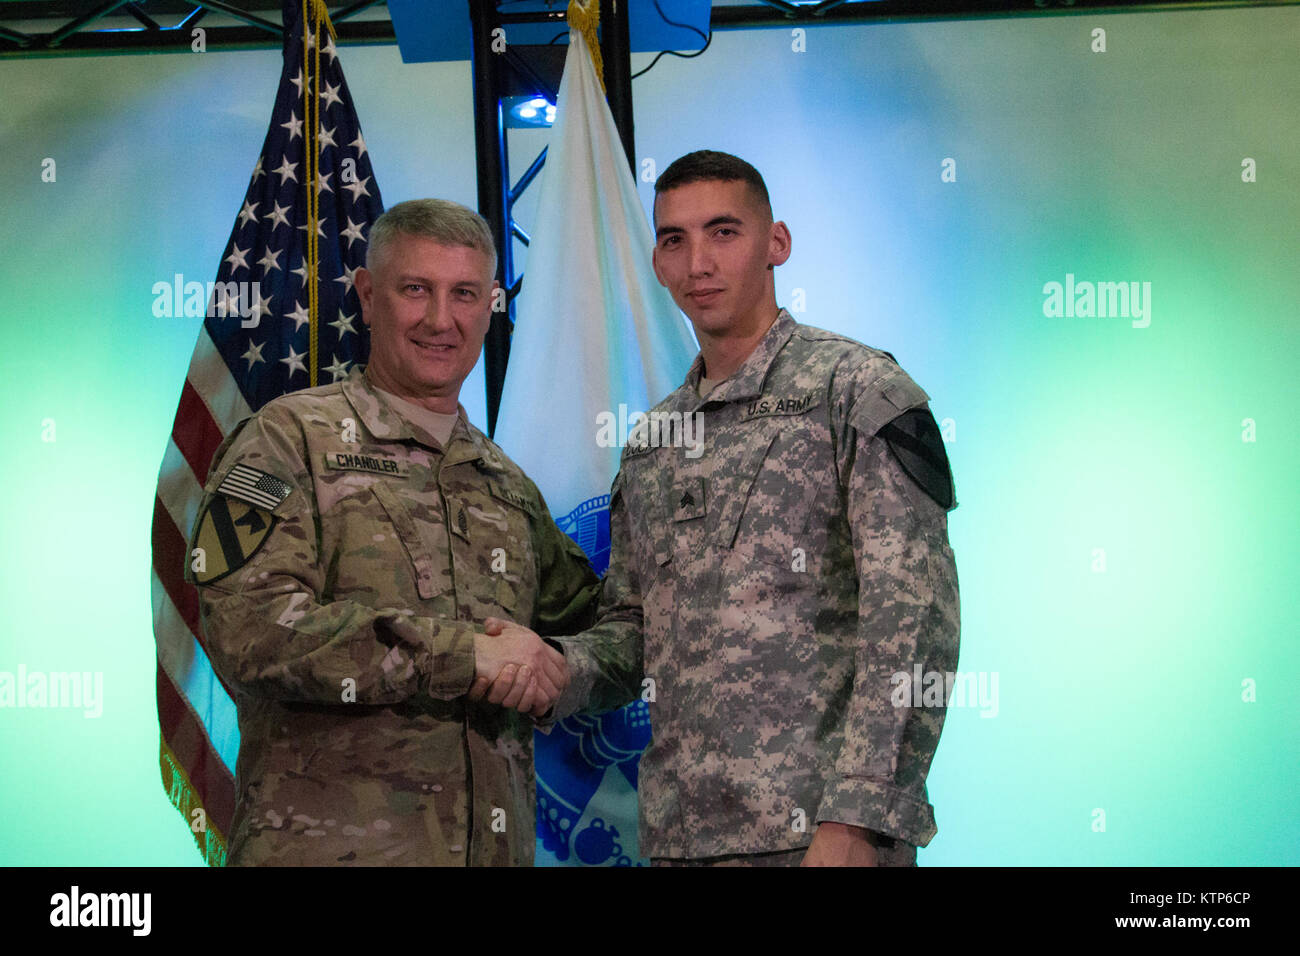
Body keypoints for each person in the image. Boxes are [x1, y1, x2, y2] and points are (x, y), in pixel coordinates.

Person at [476, 151, 960, 866]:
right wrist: (559, 666)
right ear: (659, 263)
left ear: (776, 244)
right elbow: (636, 631)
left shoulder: (856, 392)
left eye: (723, 232)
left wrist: (860, 817)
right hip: (678, 838)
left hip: (816, 836)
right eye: (675, 239)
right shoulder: (652, 444)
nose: (698, 261)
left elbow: (913, 620)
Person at [185, 199, 598, 866]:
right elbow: (249, 631)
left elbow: (594, 625)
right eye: (416, 290)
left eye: (464, 294)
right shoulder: (288, 442)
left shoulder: (506, 485)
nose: (442, 319)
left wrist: (562, 667)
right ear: (369, 296)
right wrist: (461, 656)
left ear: (490, 305)